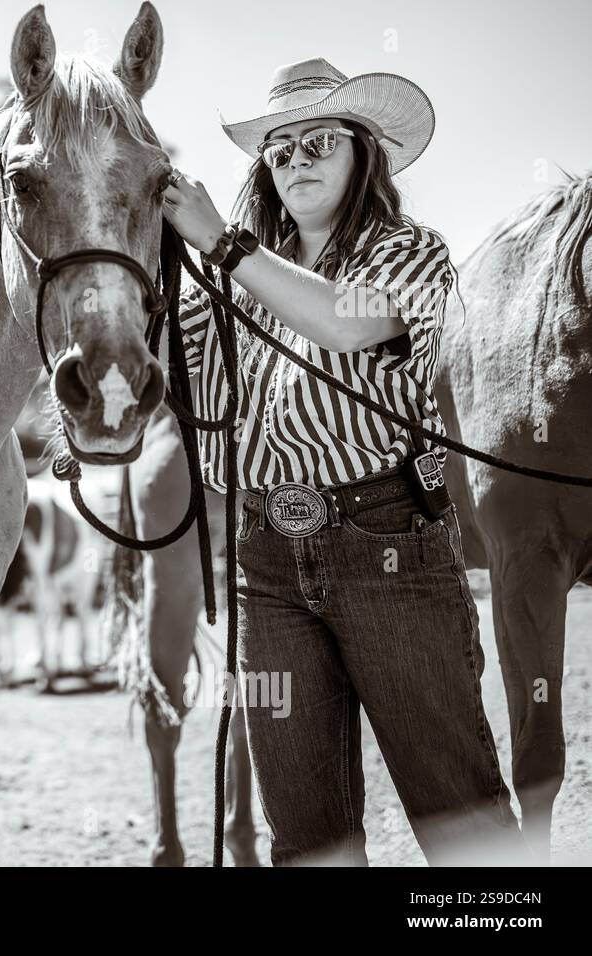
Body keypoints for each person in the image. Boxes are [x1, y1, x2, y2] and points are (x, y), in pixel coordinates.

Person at [159, 57, 527, 865]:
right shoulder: (227, 277)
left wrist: (219, 242)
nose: (296, 161)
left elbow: (344, 324)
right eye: (280, 150)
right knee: (307, 836)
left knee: (458, 812)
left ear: (363, 151)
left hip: (388, 545)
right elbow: (160, 364)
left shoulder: (409, 252)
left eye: (317, 141)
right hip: (265, 559)